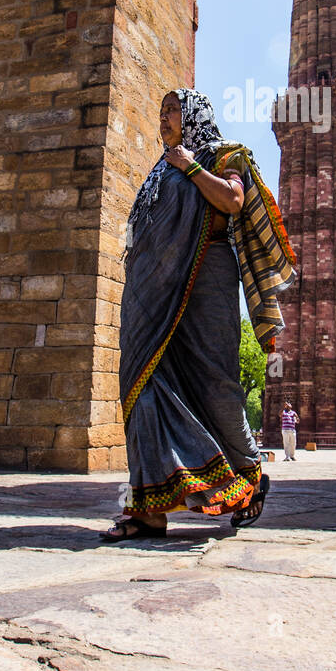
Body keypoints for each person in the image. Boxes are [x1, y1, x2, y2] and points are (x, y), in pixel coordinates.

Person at [102, 89, 296, 541]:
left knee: (214, 383)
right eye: (162, 109)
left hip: (208, 278)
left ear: (193, 115)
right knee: (145, 387)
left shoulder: (222, 155)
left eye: (172, 109)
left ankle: (248, 477)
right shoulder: (158, 172)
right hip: (154, 293)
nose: (164, 116)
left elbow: (231, 202)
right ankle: (148, 508)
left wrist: (190, 166)